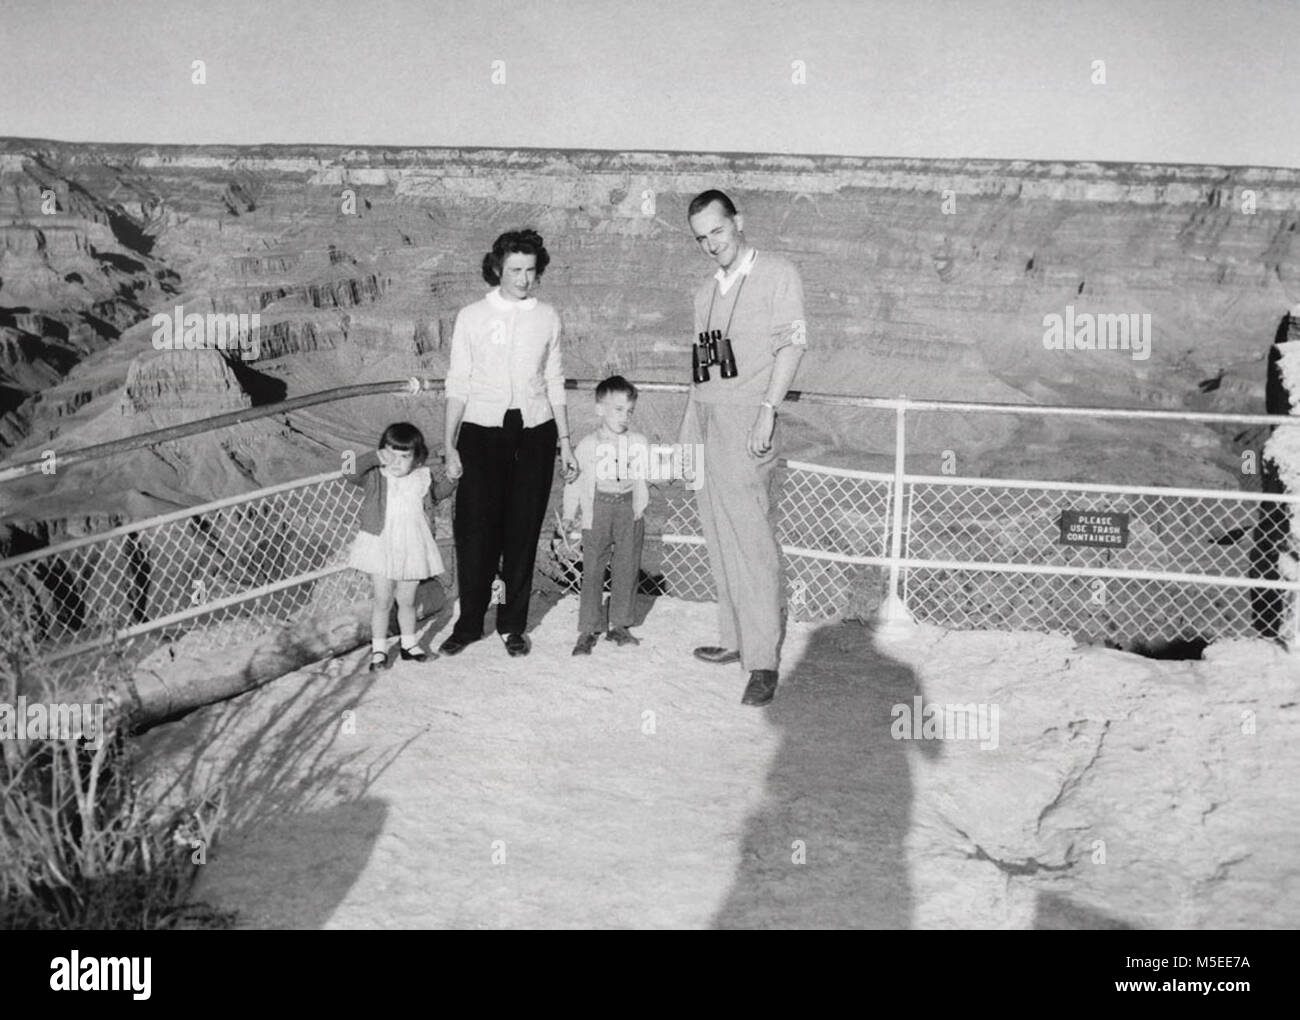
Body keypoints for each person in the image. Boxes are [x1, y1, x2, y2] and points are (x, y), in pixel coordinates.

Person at [677, 189, 808, 707]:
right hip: (708, 420)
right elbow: (700, 369)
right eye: (701, 238)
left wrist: (768, 411)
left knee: (752, 541)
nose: (711, 245)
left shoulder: (778, 274)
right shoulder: (704, 292)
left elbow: (792, 344)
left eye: (718, 232)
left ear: (739, 223)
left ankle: (762, 661)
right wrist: (689, 432)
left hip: (749, 421)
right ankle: (733, 639)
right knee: (718, 532)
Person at [440, 229, 578, 658]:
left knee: (523, 530)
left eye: (531, 271)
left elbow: (554, 380)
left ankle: (512, 624)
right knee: (476, 531)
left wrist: (566, 442)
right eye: (515, 270)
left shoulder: (548, 316)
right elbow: (458, 382)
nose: (523, 279)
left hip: (536, 432)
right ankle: (468, 624)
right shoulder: (472, 316)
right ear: (498, 267)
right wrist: (449, 443)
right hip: (482, 431)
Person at [344, 422, 456, 671]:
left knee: (407, 600)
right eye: (389, 454)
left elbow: (438, 494)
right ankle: (379, 651)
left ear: (417, 459)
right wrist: (374, 458)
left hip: (412, 545)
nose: (395, 462)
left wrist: (452, 477)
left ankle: (409, 644)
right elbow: (348, 471)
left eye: (404, 457)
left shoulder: (422, 477)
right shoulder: (376, 476)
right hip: (381, 545)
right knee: (383, 600)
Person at [562, 375, 650, 655]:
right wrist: (568, 515)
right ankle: (588, 628)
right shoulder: (587, 444)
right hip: (598, 510)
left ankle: (620, 625)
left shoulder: (638, 441)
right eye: (618, 409)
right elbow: (573, 482)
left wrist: (639, 508)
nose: (625, 416)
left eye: (629, 410)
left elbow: (643, 478)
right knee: (593, 570)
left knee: (627, 567)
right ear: (600, 408)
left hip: (628, 510)